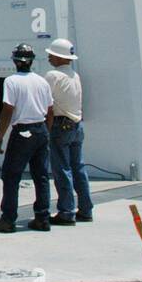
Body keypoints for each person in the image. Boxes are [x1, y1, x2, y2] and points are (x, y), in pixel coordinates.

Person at [0, 44, 55, 233]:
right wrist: (46, 133)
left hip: (23, 132)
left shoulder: (11, 81)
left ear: (15, 61)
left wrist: (0, 137)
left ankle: (8, 219)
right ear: (32, 61)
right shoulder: (42, 82)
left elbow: (8, 109)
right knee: (41, 176)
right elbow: (50, 111)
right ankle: (42, 218)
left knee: (11, 175)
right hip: (41, 130)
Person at [45, 38, 93, 225]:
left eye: (51, 55)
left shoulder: (53, 75)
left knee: (62, 169)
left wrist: (45, 128)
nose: (49, 57)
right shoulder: (74, 75)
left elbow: (46, 104)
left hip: (60, 125)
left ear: (58, 56)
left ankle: (66, 212)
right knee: (78, 168)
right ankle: (86, 209)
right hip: (76, 124)